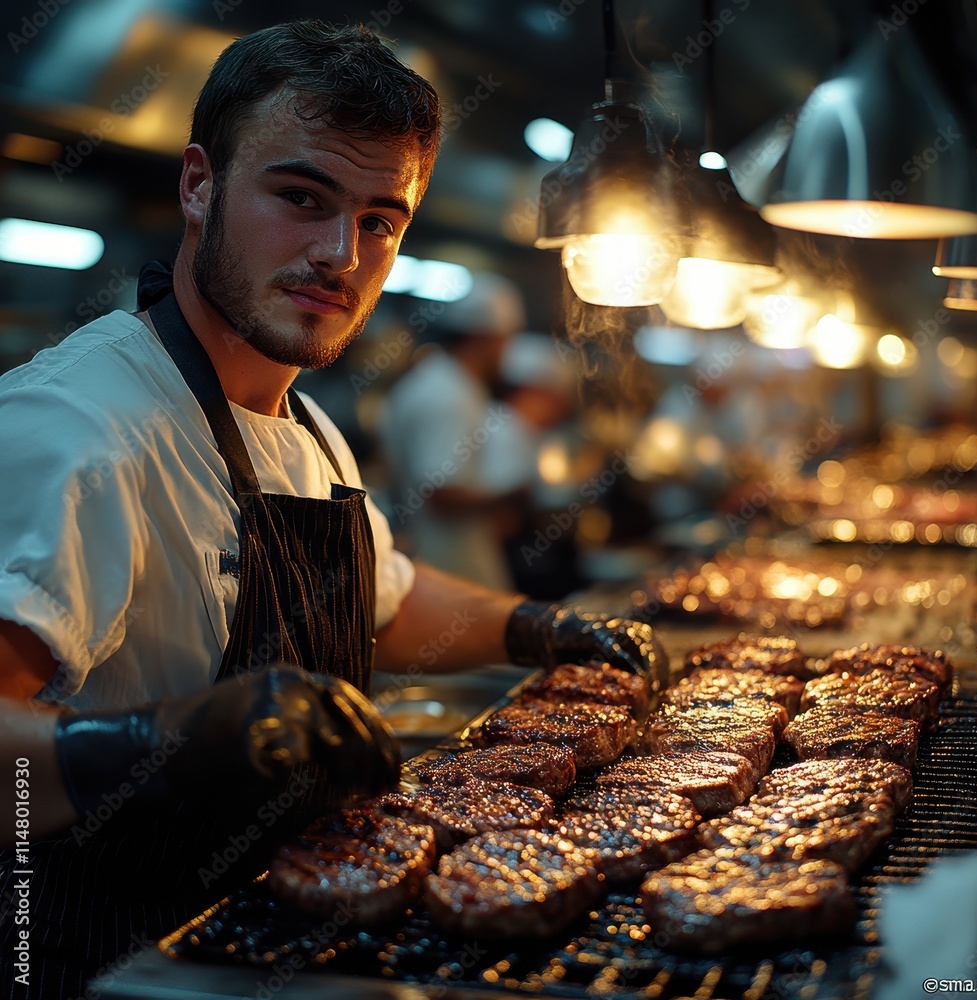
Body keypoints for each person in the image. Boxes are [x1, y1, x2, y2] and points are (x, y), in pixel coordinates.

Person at [0, 21, 664, 998]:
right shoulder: (81, 429)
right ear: (198, 184)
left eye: (378, 221)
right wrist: (162, 742)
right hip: (108, 960)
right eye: (300, 197)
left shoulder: (306, 423)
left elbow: (385, 600)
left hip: (273, 939)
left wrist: (537, 628)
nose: (337, 253)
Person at [378, 271, 529, 589]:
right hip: (447, 568)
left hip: (440, 561)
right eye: (506, 340)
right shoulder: (449, 394)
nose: (508, 352)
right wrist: (513, 494)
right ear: (481, 337)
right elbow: (442, 494)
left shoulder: (439, 382)